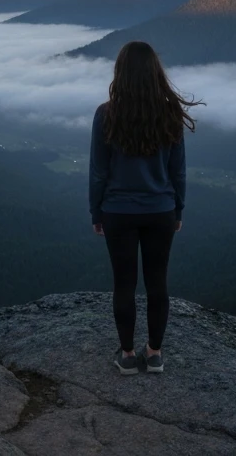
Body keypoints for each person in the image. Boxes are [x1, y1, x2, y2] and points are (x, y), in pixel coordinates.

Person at [89, 40, 201, 375]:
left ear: (120, 73)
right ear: (156, 73)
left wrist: (97, 213)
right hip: (160, 211)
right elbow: (177, 170)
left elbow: (98, 171)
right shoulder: (169, 114)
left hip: (118, 212)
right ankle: (154, 354)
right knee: (157, 283)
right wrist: (178, 210)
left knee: (124, 284)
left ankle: (126, 356)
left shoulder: (106, 114)